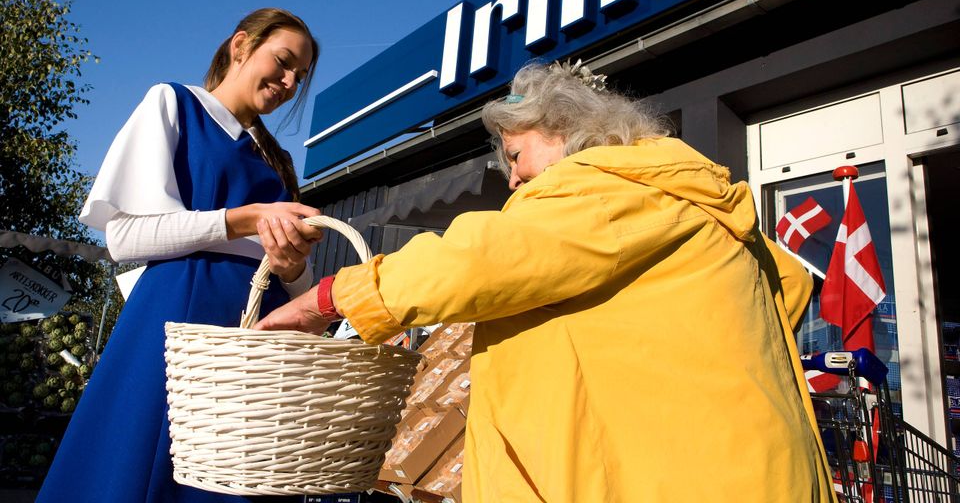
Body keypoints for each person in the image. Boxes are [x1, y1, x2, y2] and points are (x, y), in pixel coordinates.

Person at [255, 60, 835, 501]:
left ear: (562, 130)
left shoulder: (605, 190)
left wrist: (329, 298)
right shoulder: (683, 203)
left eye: (514, 154)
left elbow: (479, 259)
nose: (512, 179)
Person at [38, 8, 324, 503]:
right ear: (240, 46)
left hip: (254, 345)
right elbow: (124, 238)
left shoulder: (277, 160)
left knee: (239, 479)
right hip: (179, 323)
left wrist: (292, 265)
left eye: (299, 75)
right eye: (282, 61)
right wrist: (242, 218)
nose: (289, 81)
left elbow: (296, 281)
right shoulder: (174, 103)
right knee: (145, 474)